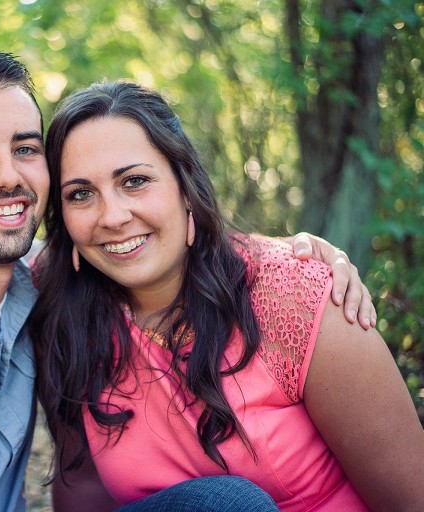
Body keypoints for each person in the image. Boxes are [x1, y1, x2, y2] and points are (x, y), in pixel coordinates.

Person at [0, 51, 375, 511]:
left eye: (25, 148)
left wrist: (301, 258)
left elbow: (142, 236)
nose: (9, 176)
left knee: (223, 505)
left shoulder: (37, 279)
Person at [30, 80, 424, 512]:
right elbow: (81, 489)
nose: (112, 216)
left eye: (136, 181)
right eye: (80, 194)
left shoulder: (293, 298)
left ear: (185, 186)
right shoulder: (58, 303)